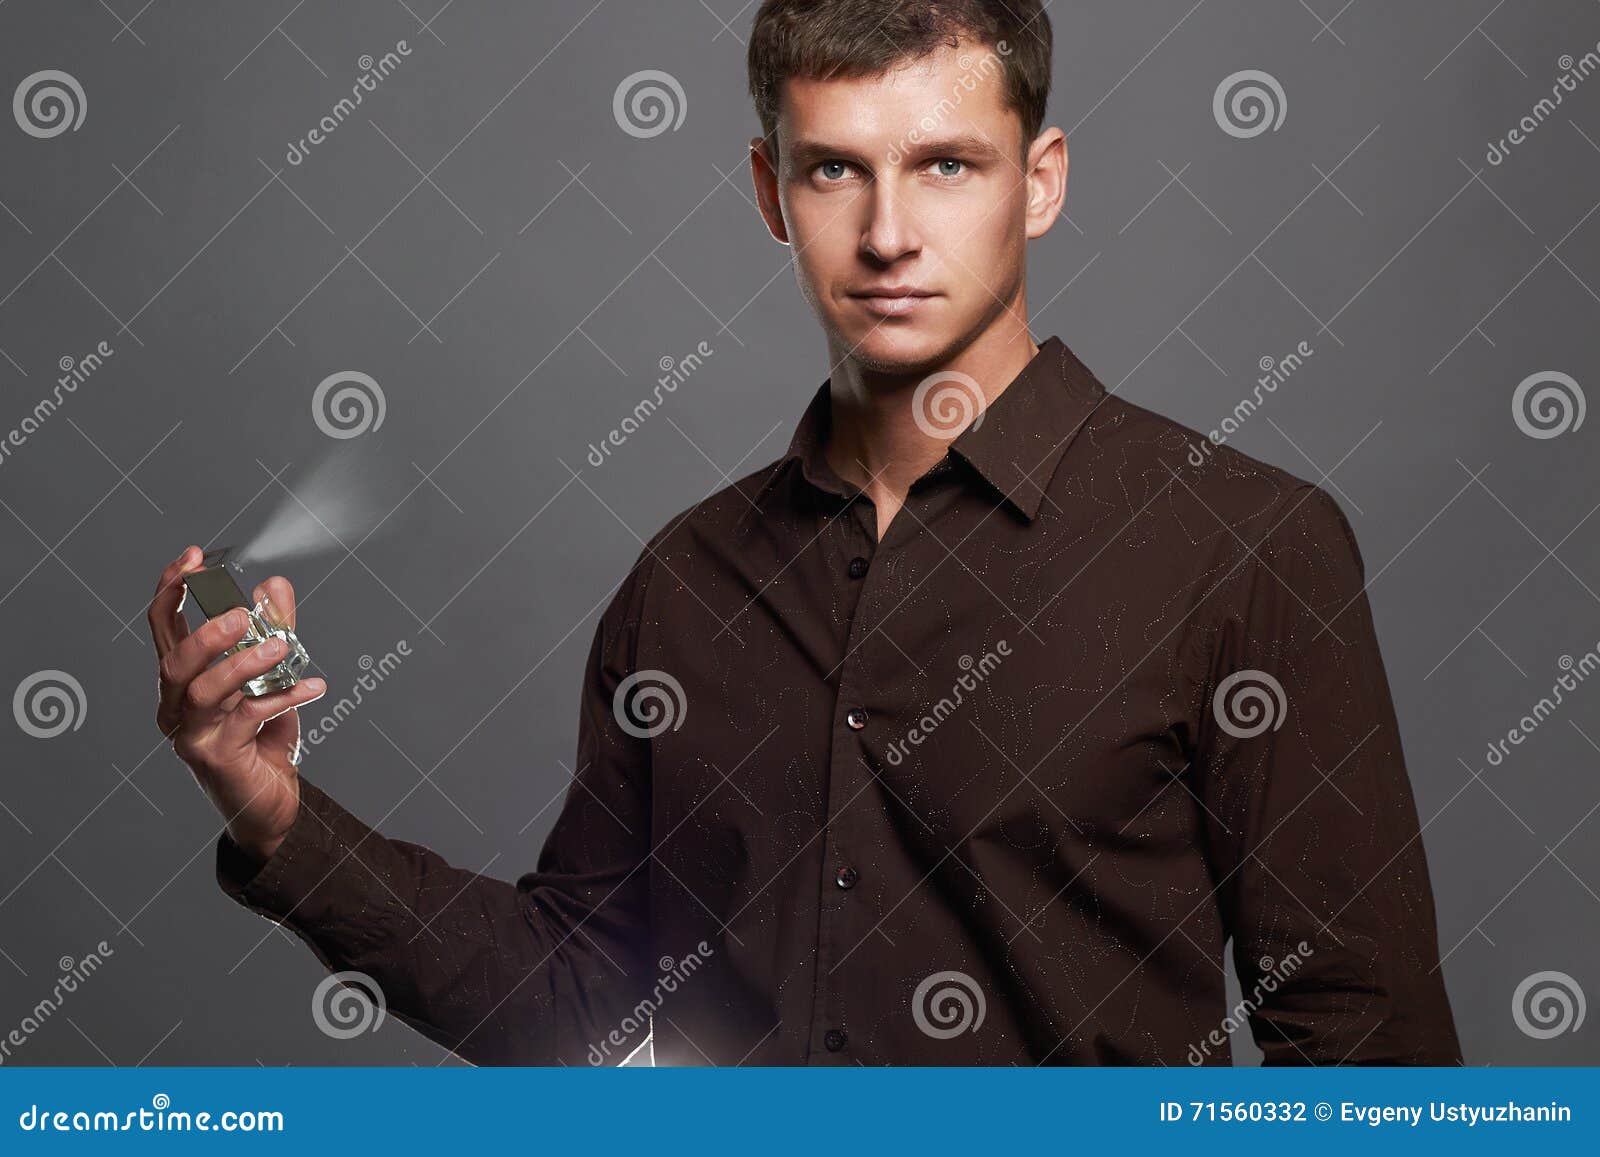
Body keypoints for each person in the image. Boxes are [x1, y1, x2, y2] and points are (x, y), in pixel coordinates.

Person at [147, 0, 1462, 1065]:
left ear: (1040, 181)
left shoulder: (1240, 546)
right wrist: (275, 815)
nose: (890, 234)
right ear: (773, 192)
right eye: (838, 169)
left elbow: (1367, 1060)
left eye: (947, 165)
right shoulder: (688, 582)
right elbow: (571, 1003)